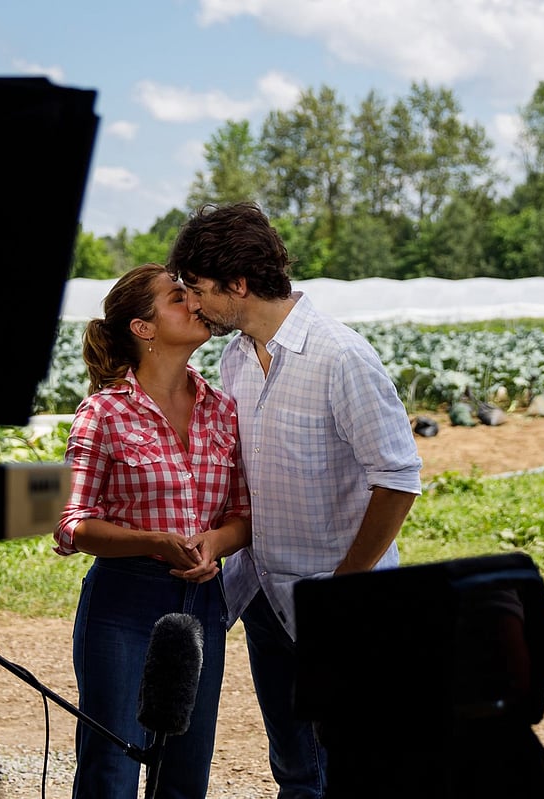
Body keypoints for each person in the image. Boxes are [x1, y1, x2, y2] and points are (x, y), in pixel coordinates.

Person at [166, 202, 424, 798]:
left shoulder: (341, 357)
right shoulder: (234, 359)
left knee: (354, 772)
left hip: (342, 602)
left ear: (239, 284)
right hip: (266, 597)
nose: (194, 304)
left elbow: (398, 478)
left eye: (199, 290)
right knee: (297, 774)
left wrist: (347, 585)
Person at [54, 262, 252, 799]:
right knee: (110, 771)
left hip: (203, 603)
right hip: (124, 600)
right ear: (143, 328)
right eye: (176, 298)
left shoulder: (223, 409)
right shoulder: (102, 413)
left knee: (185, 777)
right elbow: (70, 525)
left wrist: (216, 543)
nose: (194, 303)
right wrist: (154, 542)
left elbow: (242, 514)